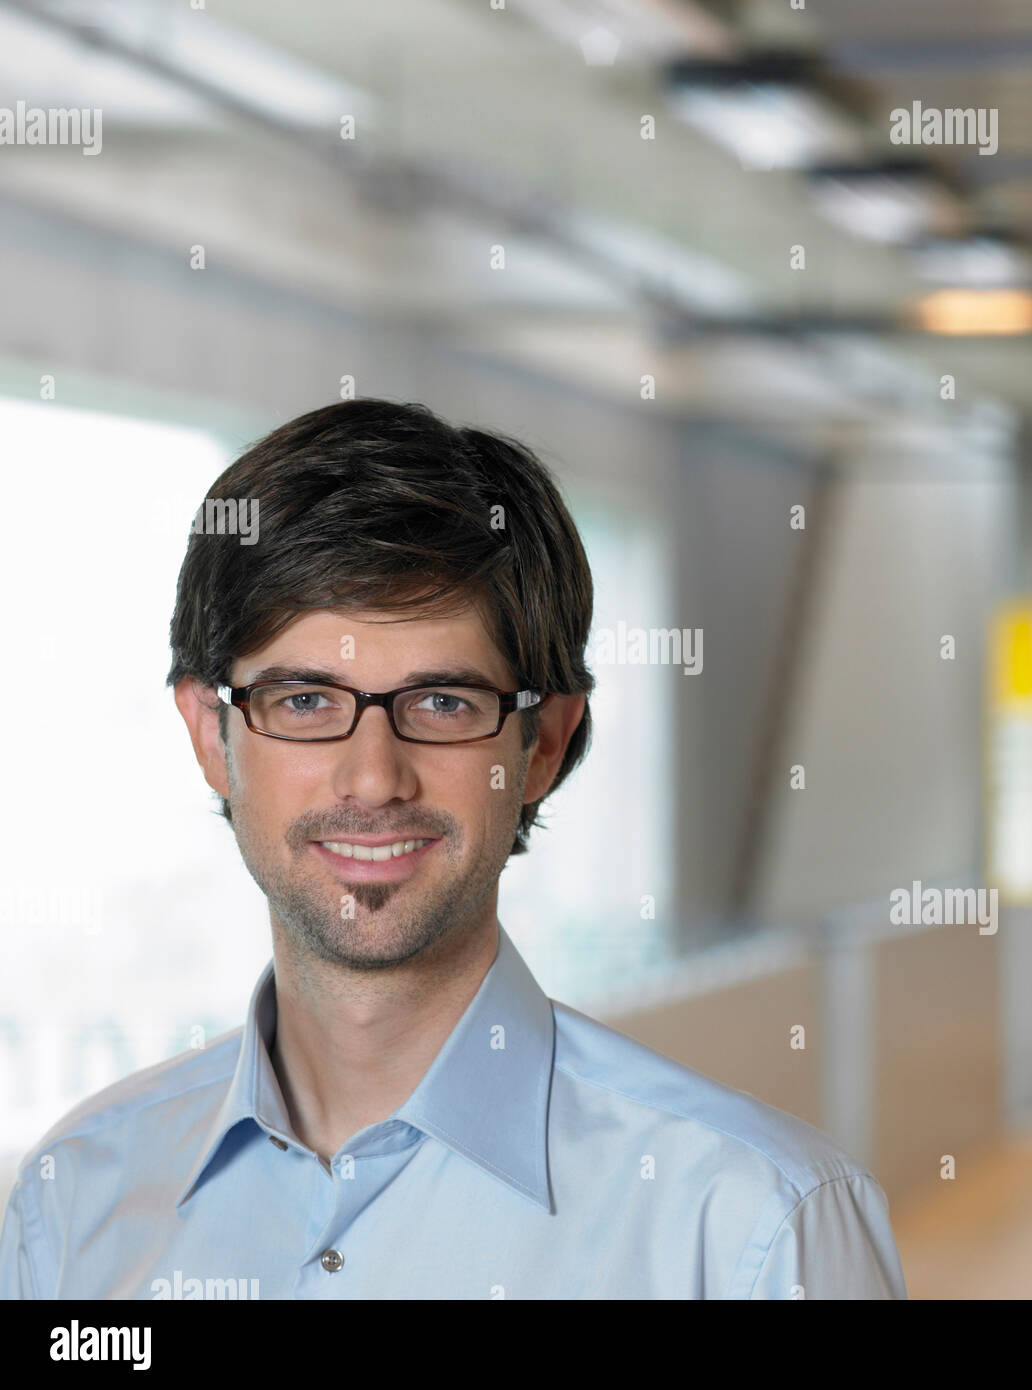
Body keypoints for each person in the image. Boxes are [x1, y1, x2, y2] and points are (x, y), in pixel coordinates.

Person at [0, 398, 906, 1299]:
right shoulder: (74, 1206)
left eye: (442, 704)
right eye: (305, 700)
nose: (372, 779)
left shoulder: (754, 1228)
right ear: (210, 735)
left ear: (542, 744)